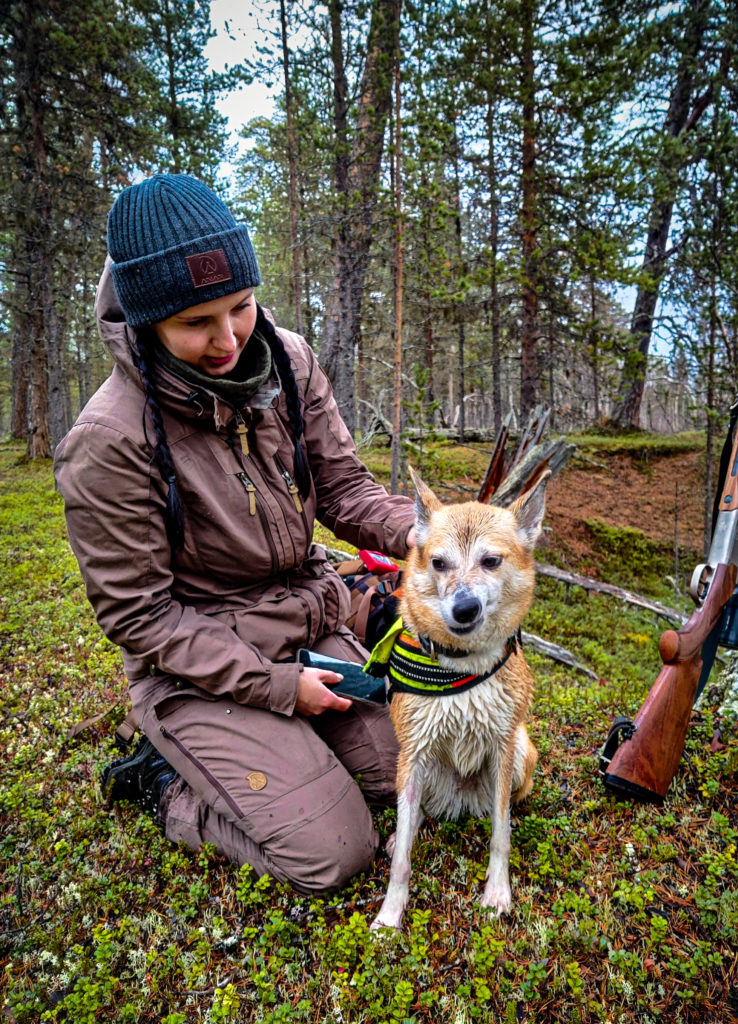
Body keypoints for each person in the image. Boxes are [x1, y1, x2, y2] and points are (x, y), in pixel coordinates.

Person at [54, 174, 415, 894]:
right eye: (195, 323)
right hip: (198, 668)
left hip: (308, 623)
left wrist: (435, 537)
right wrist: (279, 689)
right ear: (145, 319)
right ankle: (161, 776)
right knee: (334, 852)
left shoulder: (289, 358)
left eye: (241, 307)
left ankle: (281, 758)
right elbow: (140, 616)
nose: (228, 339)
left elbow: (343, 487)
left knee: (402, 779)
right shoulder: (107, 440)